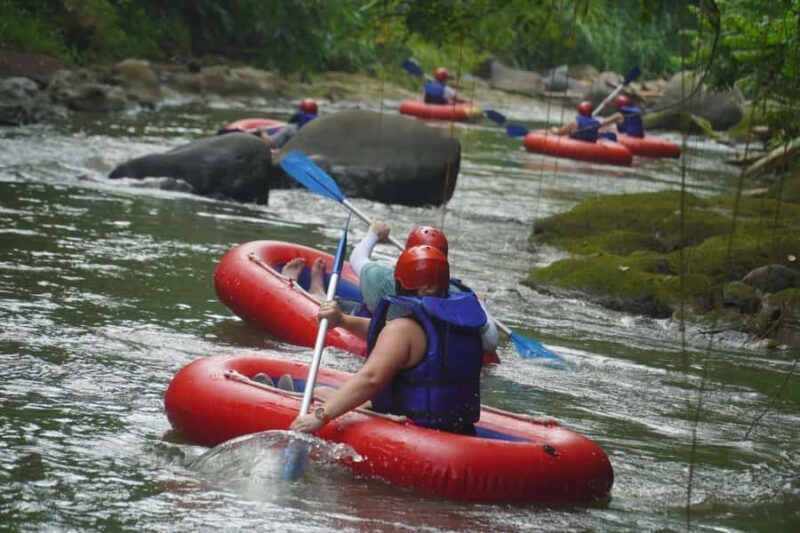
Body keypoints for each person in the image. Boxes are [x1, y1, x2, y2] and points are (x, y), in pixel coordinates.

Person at [290, 245, 485, 435]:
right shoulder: (461, 324)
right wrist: (342, 320)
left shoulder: (403, 330)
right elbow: (393, 336)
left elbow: (370, 380)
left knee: (321, 393)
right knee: (327, 393)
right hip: (459, 428)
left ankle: (303, 398)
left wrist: (320, 416)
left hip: (412, 430)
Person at [349, 220, 499, 354]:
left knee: (348, 305)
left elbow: (356, 258)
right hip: (437, 361)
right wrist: (480, 303)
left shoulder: (382, 278)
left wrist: (373, 234)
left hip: (387, 342)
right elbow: (491, 343)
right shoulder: (460, 298)